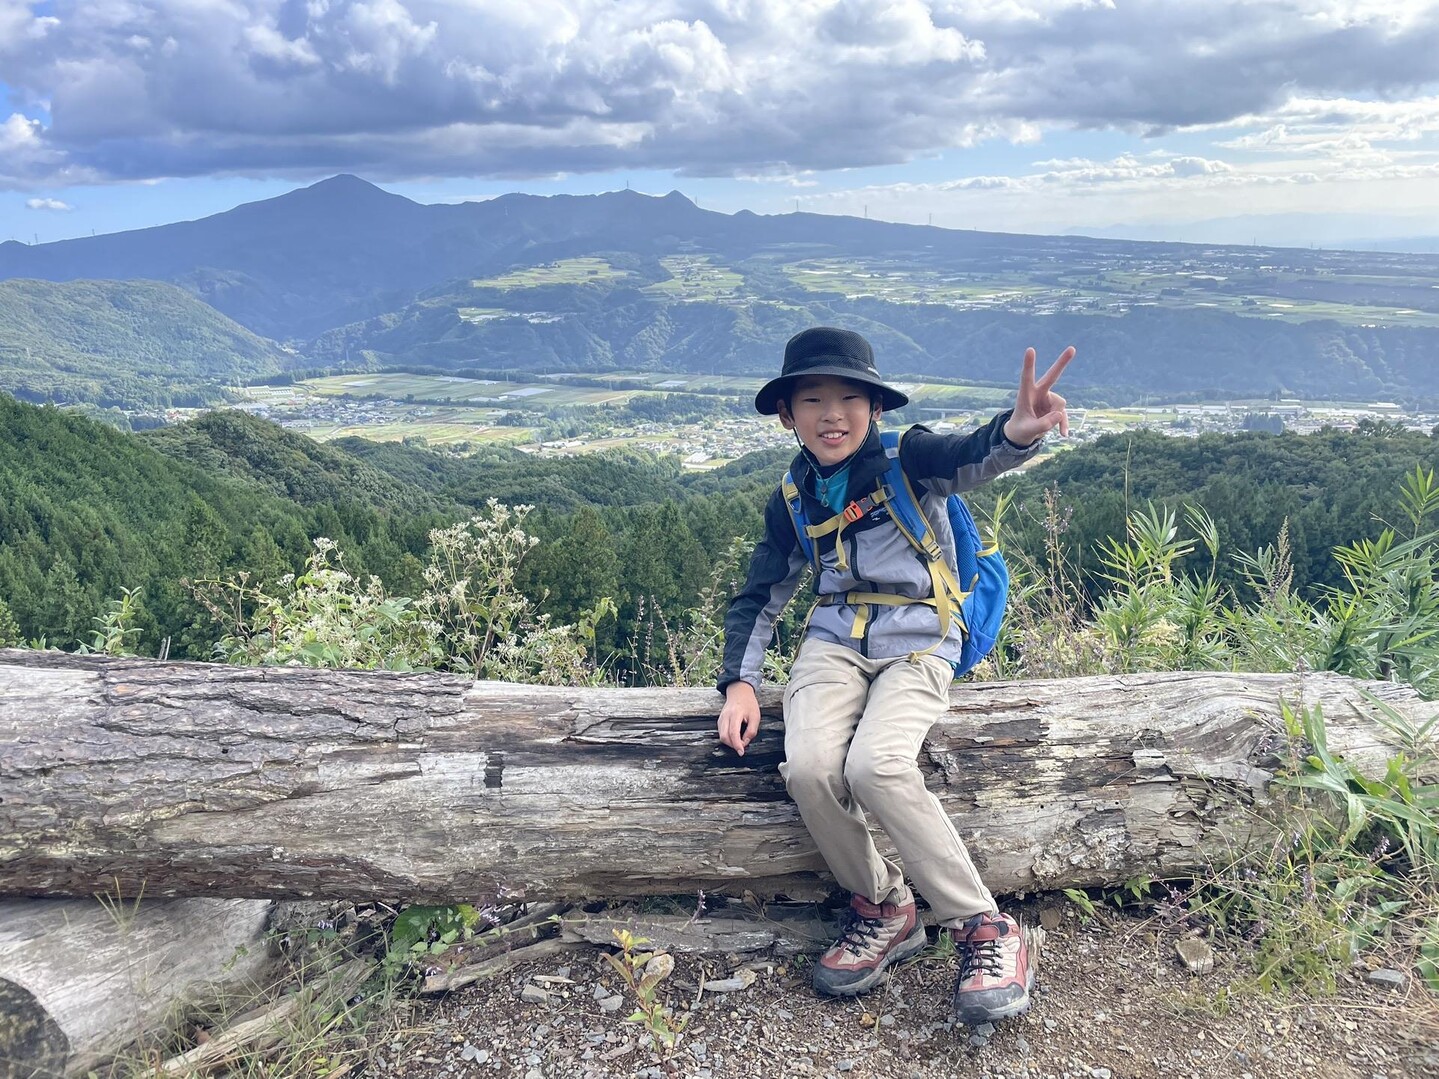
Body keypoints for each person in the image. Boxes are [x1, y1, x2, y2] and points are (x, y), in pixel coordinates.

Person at [716, 326, 1074, 1024]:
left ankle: (983, 925)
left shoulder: (908, 460)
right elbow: (762, 593)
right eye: (811, 399)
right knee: (810, 767)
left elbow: (970, 455)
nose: (831, 413)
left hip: (920, 636)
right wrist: (737, 680)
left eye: (850, 397)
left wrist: (1017, 431)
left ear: (875, 409)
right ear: (786, 414)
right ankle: (885, 904)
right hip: (832, 641)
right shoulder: (792, 494)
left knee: (876, 766)